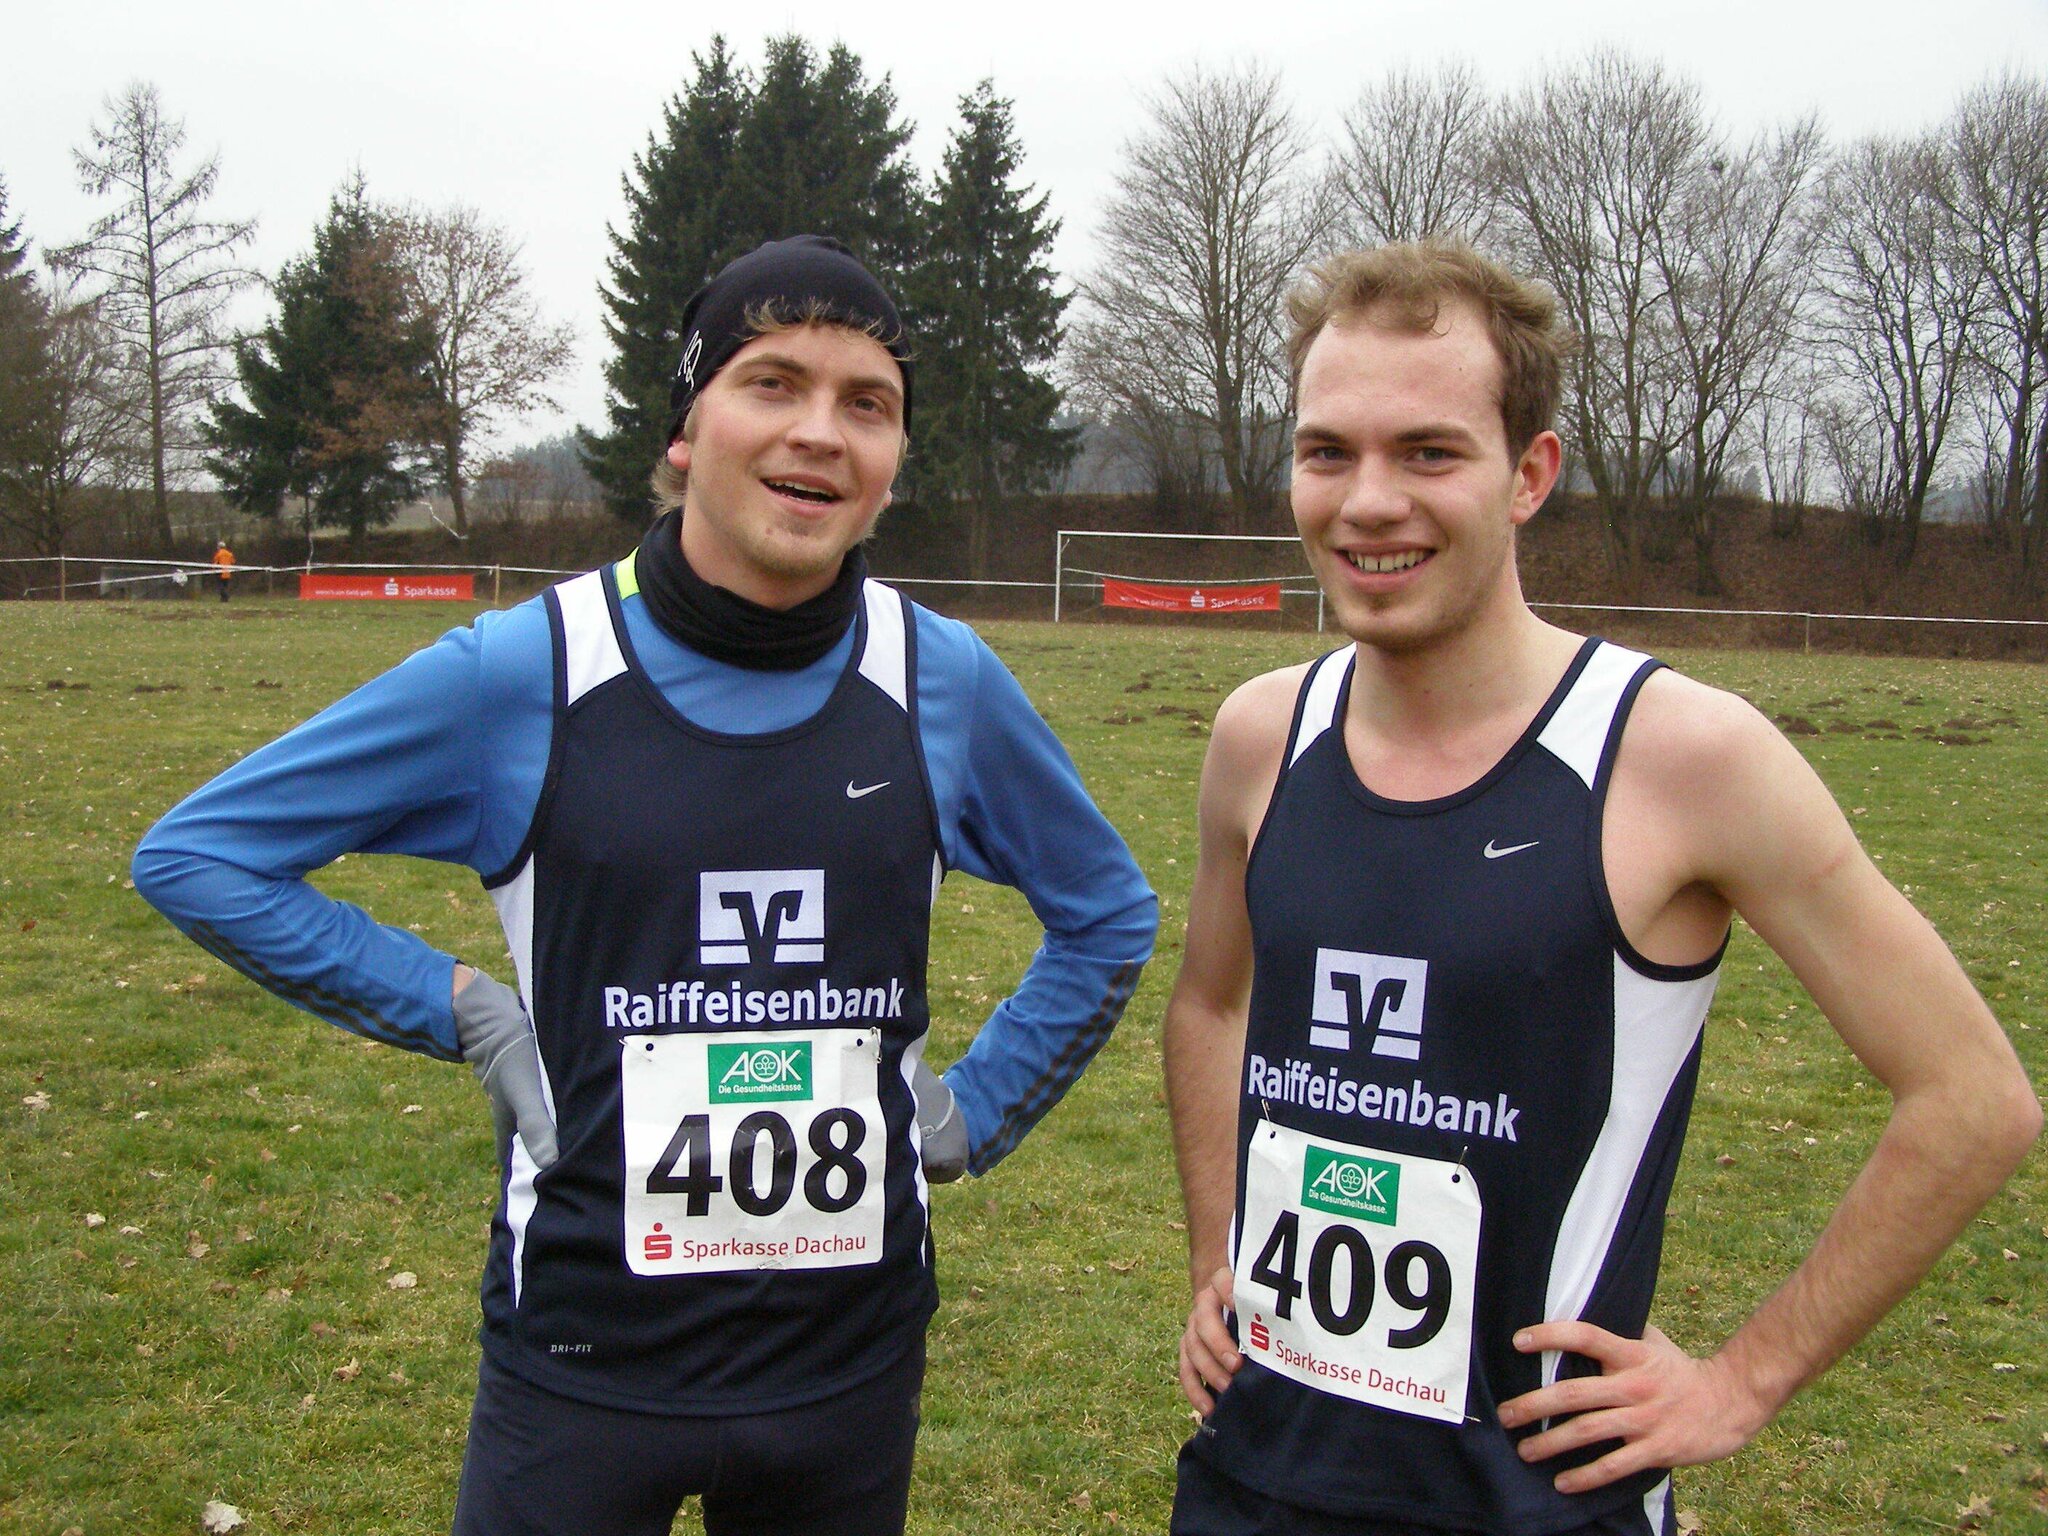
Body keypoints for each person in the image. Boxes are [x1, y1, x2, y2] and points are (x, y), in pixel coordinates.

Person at [134, 234, 1156, 1536]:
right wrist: (461, 1005)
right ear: (686, 430)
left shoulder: (939, 678)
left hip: (848, 1371)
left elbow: (1108, 910)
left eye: (868, 403)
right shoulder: (525, 672)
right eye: (772, 383)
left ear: (896, 459)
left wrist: (979, 1108)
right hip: (579, 1368)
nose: (822, 433)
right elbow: (201, 851)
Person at [1161, 239, 2039, 1536]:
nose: (1367, 502)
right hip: (1255, 1477)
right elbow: (1210, 1008)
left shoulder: (1684, 757)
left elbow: (1972, 1099)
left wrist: (1741, 1383)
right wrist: (1215, 1253)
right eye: (1328, 451)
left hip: (1535, 1504)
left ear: (1530, 474)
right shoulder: (1259, 736)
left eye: (1429, 453)